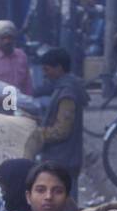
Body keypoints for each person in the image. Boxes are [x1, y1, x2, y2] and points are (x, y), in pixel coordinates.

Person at [35, 47, 89, 186]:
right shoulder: (63, 88)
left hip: (63, 159)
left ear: (59, 68)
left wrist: (38, 134)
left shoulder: (67, 93)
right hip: (63, 159)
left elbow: (62, 131)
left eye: (47, 69)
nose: (45, 74)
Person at [0, 19, 33, 94]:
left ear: (14, 39)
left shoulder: (22, 56)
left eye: (10, 37)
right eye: (3, 38)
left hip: (19, 101)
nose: (7, 41)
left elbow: (27, 83)